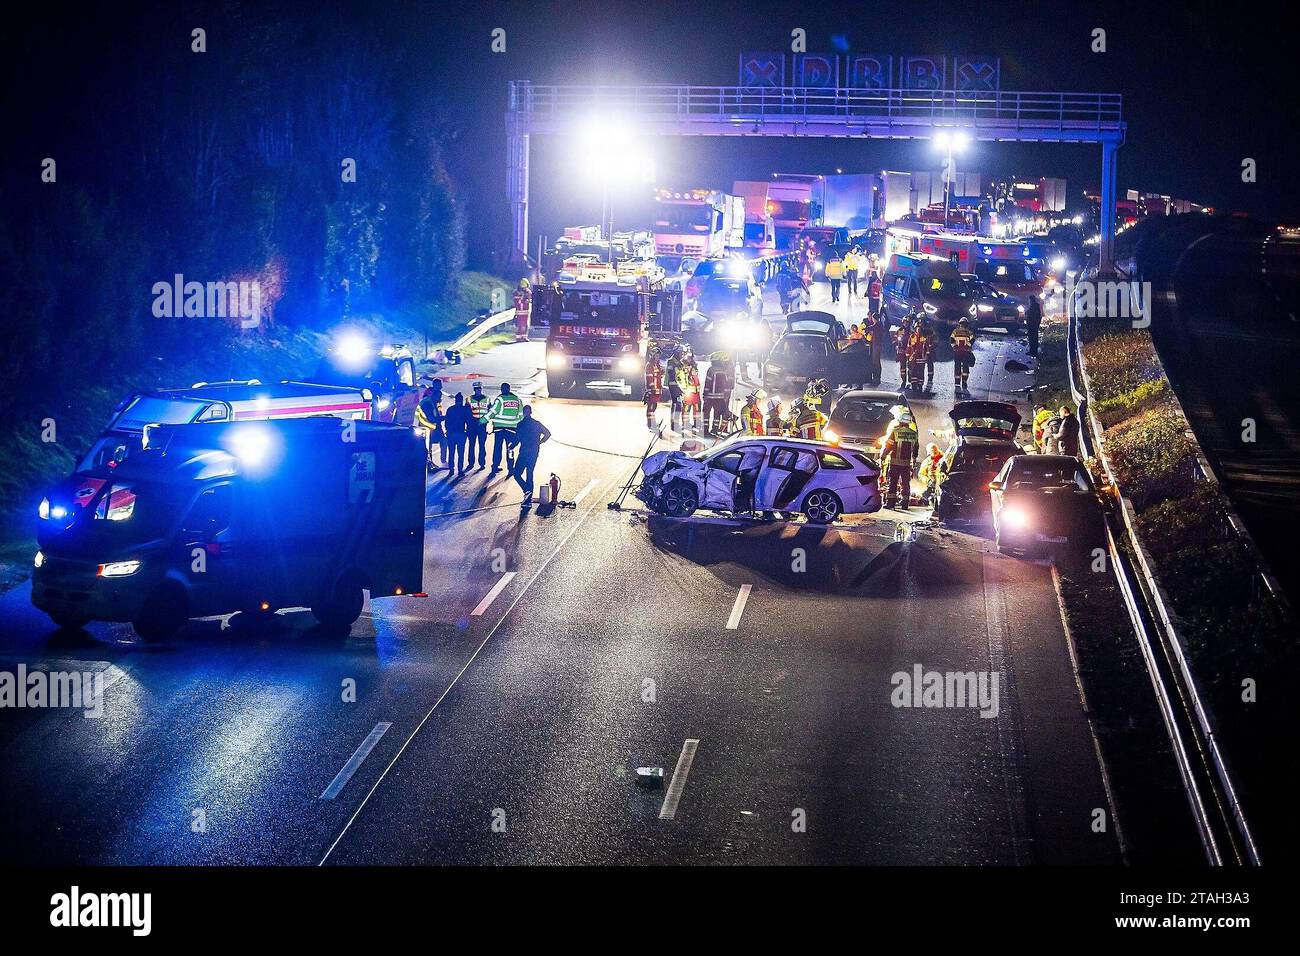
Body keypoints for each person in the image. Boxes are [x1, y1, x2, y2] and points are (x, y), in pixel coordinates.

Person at [880, 406, 920, 509]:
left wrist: (883, 455)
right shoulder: (913, 434)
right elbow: (915, 449)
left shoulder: (895, 431)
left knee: (893, 482)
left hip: (895, 462)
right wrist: (914, 460)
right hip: (906, 464)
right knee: (905, 484)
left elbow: (889, 445)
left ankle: (891, 503)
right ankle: (905, 504)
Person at [512, 405, 552, 503]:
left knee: (516, 473)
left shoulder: (520, 424)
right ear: (531, 412)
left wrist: (511, 446)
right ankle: (529, 495)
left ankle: (526, 491)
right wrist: (540, 442)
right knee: (530, 473)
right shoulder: (537, 424)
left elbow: (517, 439)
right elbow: (548, 433)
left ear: (523, 413)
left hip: (524, 452)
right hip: (534, 452)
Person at [487, 382, 524, 474]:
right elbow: (520, 415)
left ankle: (495, 466)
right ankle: (511, 468)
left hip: (499, 429)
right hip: (511, 429)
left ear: (502, 389)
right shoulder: (517, 400)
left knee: (497, 448)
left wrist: (483, 420)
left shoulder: (500, 399)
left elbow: (493, 412)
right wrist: (521, 428)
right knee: (510, 449)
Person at [414, 382, 446, 470]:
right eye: (439, 398)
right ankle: (429, 463)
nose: (440, 399)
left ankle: (439, 462)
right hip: (427, 427)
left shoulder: (434, 401)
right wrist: (444, 418)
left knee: (442, 442)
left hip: (434, 426)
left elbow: (437, 412)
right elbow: (431, 418)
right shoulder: (428, 403)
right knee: (428, 446)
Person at [702, 352, 734, 435]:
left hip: (709, 396)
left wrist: (704, 394)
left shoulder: (711, 370)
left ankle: (705, 431)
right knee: (717, 415)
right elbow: (727, 384)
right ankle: (715, 430)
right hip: (720, 397)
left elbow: (707, 382)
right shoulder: (723, 371)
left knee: (706, 414)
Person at [443, 393, 473, 475]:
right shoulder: (464, 410)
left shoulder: (450, 409)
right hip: (461, 433)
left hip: (452, 434)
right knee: (460, 453)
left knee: (451, 453)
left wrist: (448, 431)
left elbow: (446, 422)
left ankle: (451, 469)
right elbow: (469, 421)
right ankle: (460, 470)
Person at [467, 381, 491, 469]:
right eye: (477, 389)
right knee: (471, 445)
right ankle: (471, 463)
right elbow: (467, 413)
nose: (478, 390)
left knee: (482, 445)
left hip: (482, 426)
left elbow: (490, 411)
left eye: (479, 389)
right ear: (474, 390)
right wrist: (470, 423)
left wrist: (485, 420)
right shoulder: (469, 399)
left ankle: (482, 463)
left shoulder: (487, 399)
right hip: (472, 426)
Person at [950, 317, 977, 393]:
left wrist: (955, 347)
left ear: (960, 324)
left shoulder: (955, 332)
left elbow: (951, 340)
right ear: (966, 324)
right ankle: (964, 382)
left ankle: (957, 383)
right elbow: (973, 339)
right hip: (966, 352)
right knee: (965, 367)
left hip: (957, 353)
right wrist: (968, 346)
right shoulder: (969, 332)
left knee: (957, 366)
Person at [644, 345, 665, 430]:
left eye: (658, 355)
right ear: (652, 355)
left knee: (654, 406)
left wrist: (662, 372)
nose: (658, 357)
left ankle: (651, 422)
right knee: (651, 407)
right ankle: (650, 423)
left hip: (657, 390)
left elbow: (659, 376)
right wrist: (652, 388)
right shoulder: (649, 365)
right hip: (652, 390)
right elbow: (649, 378)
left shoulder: (658, 365)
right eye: (656, 355)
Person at [862, 311, 884, 386]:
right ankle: (876, 377)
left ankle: (877, 378)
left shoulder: (878, 325)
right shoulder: (878, 324)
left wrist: (865, 329)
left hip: (877, 345)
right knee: (875, 361)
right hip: (875, 345)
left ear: (874, 319)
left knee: (876, 362)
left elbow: (869, 328)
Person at [1025, 293, 1043, 357]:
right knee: (1033, 339)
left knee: (1032, 339)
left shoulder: (1033, 307)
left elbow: (1031, 315)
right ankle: (1033, 351)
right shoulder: (1035, 306)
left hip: (1032, 325)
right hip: (1034, 325)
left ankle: (1033, 352)